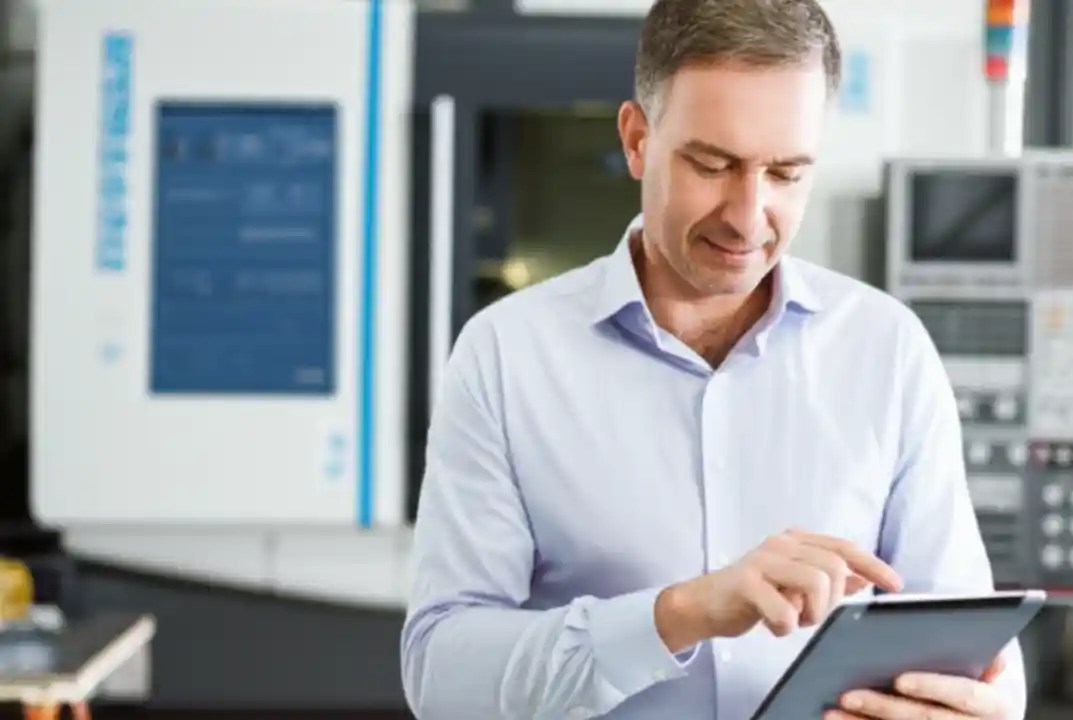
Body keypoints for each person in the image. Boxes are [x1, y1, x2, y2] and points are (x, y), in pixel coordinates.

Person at [400, 1, 1026, 718]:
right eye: (712, 164)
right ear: (637, 140)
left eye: (786, 174)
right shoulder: (506, 356)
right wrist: (682, 613)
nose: (747, 214)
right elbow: (441, 677)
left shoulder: (887, 351)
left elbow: (977, 653)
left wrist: (985, 705)